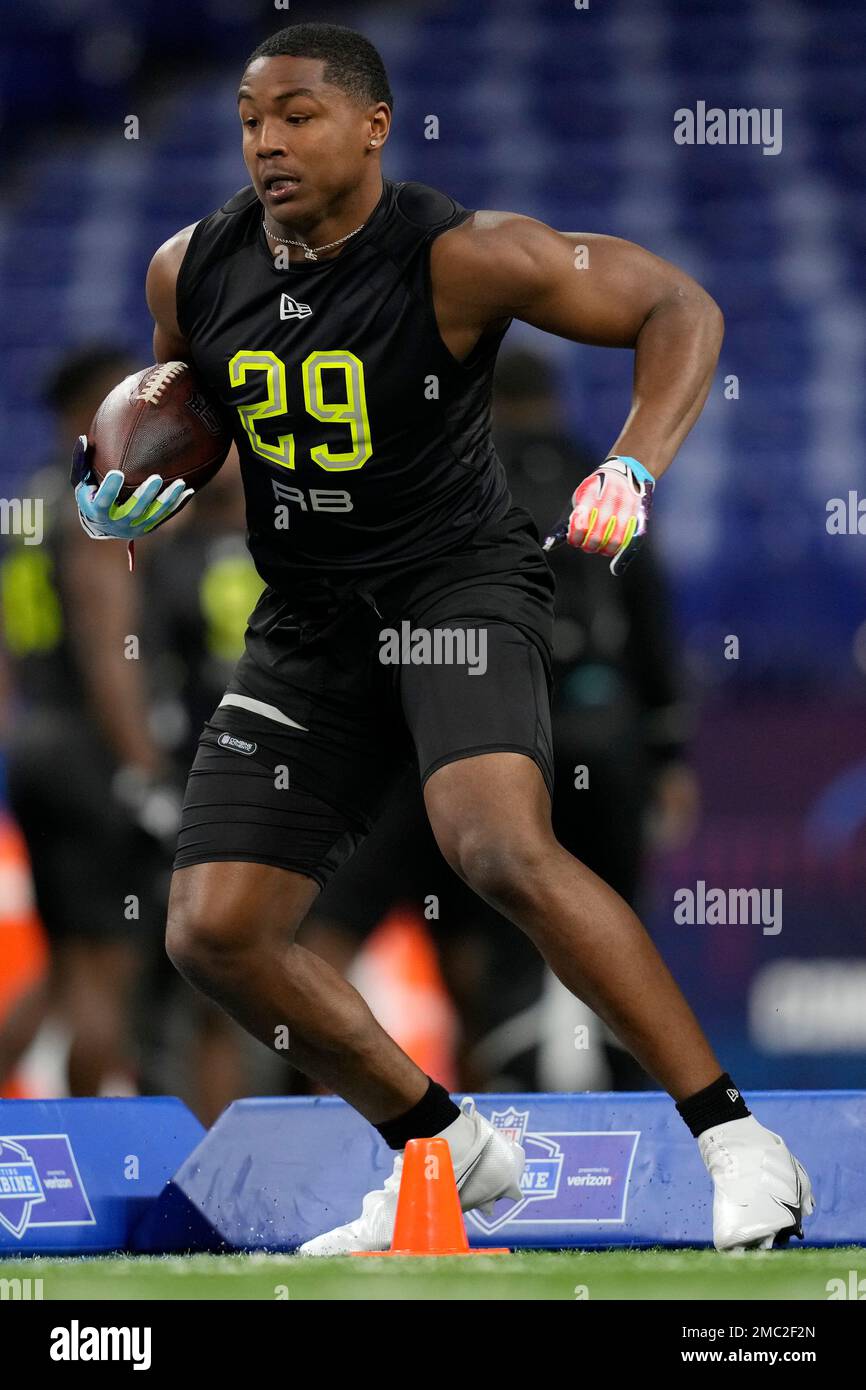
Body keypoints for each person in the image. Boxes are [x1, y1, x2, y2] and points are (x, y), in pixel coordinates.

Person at [72, 23, 812, 1253]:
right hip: (309, 618)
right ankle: (445, 1148)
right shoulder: (186, 270)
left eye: (298, 113)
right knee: (213, 930)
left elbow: (676, 305)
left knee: (496, 847)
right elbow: (190, 417)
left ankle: (738, 1140)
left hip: (450, 590)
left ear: (372, 124)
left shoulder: (462, 256)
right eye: (251, 118)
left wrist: (635, 458)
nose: (267, 140)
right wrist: (125, 498)